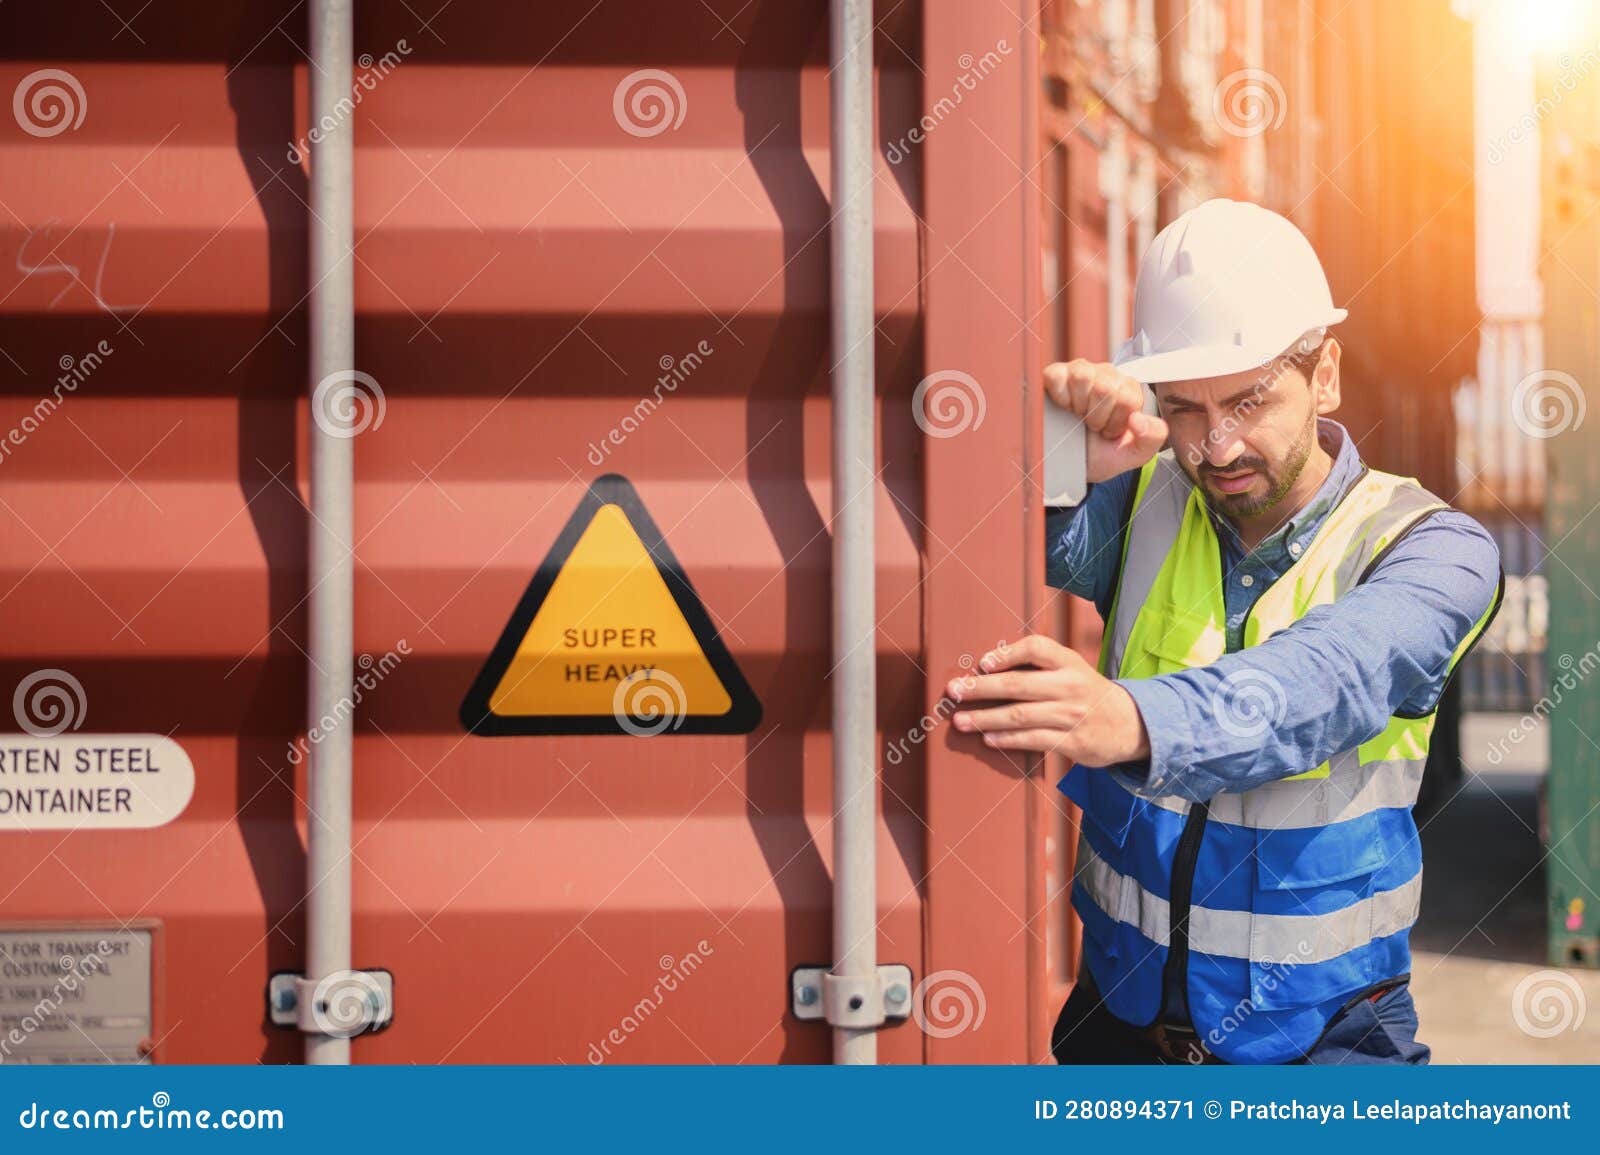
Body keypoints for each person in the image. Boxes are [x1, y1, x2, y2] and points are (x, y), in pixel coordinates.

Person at [945, 198, 1503, 1064]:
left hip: (1325, 1043)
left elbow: (1328, 679)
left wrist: (1132, 720)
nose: (1216, 447)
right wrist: (1058, 450)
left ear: (1325, 375)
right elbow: (968, 551)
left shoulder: (1434, 550)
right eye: (1187, 410)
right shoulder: (1140, 498)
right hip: (1115, 1030)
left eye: (1249, 401)